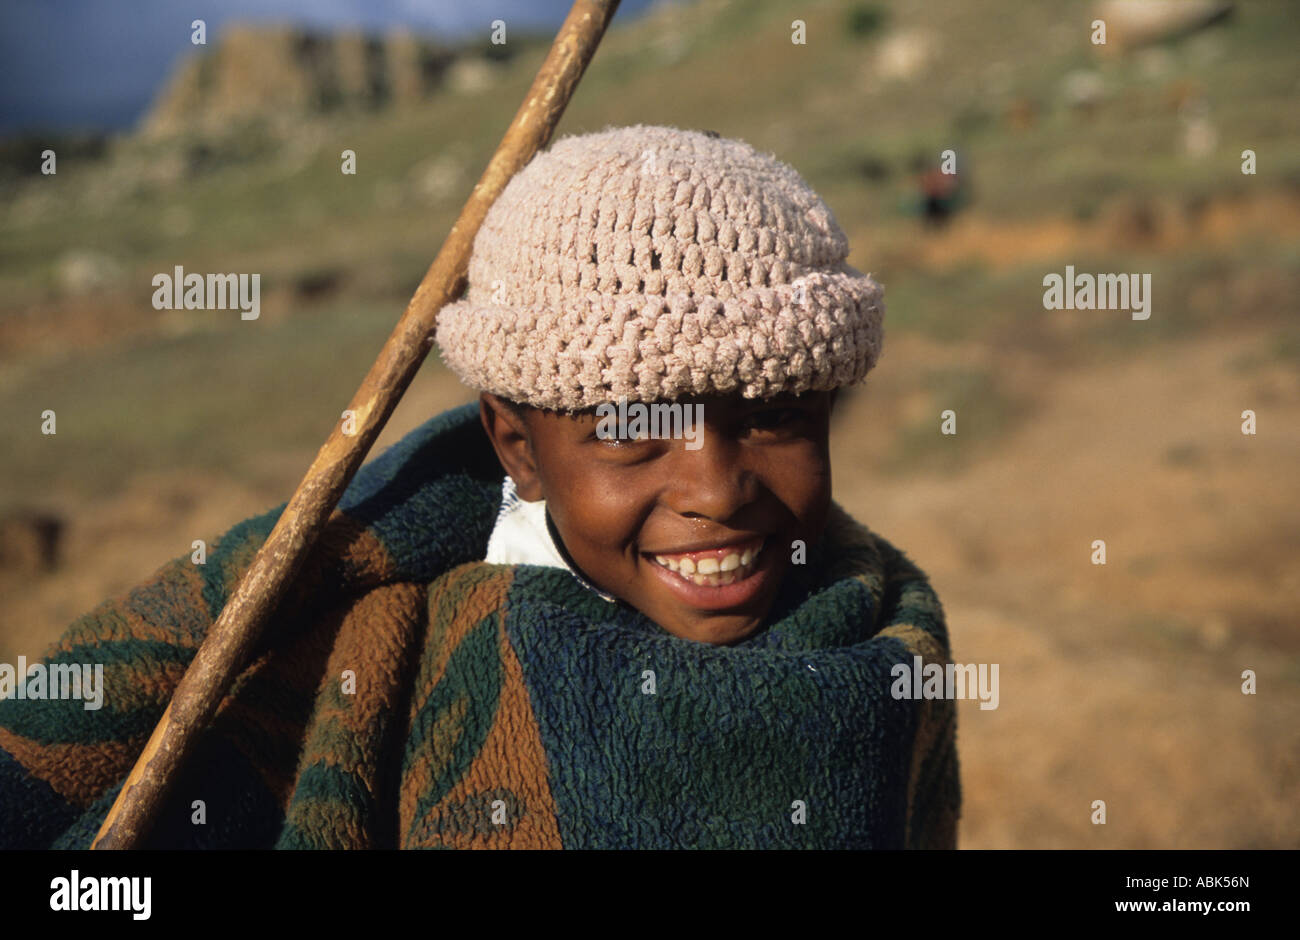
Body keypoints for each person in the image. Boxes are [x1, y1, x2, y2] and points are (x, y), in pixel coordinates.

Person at [0, 124, 960, 849]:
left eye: (773, 413)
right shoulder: (380, 652)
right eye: (633, 430)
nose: (715, 487)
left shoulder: (883, 636)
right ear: (520, 446)